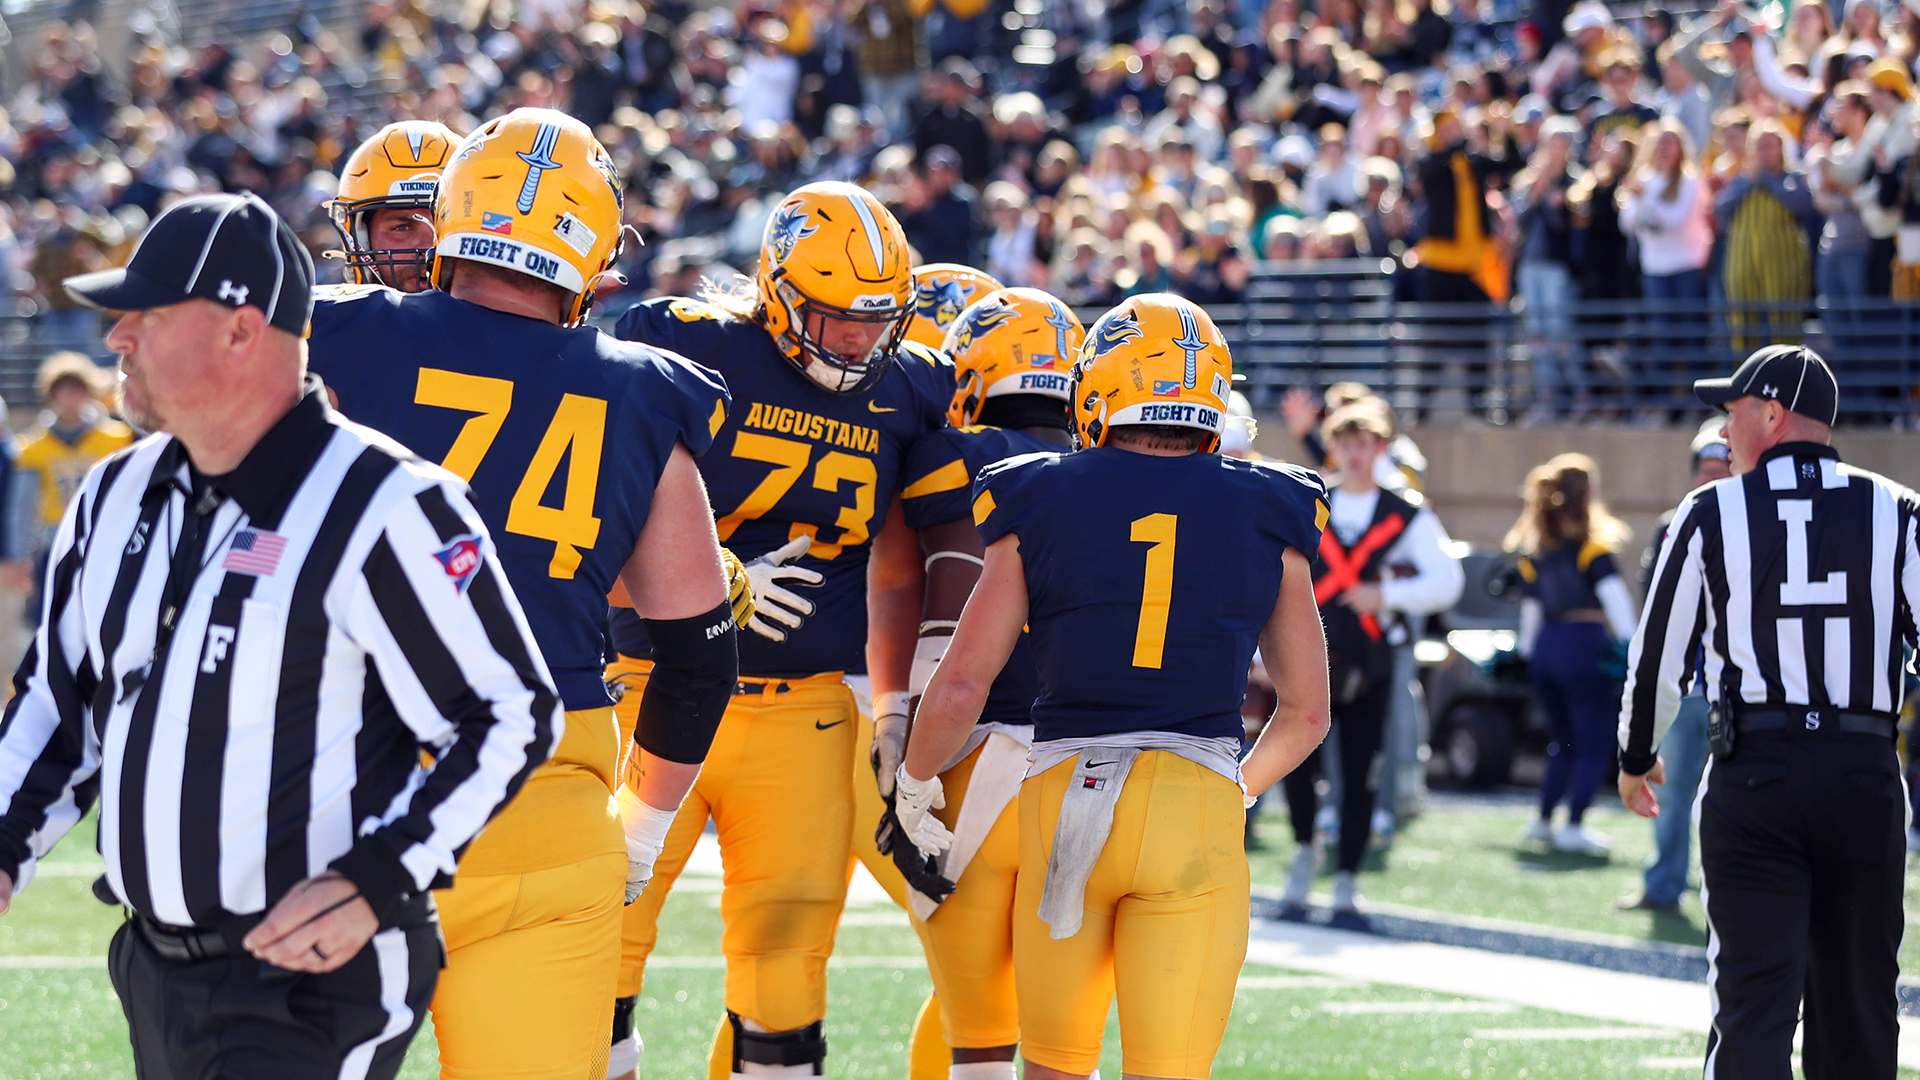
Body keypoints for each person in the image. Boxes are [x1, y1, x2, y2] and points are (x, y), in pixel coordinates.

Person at [0, 191, 560, 1080]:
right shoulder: (112, 495)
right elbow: (59, 707)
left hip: (313, 982)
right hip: (153, 969)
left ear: (237, 330)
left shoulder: (386, 502)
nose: (117, 339)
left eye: (144, 315)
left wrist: (381, 877)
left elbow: (510, 711)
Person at [308, 109, 741, 1080]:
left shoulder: (332, 335)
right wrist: (641, 834)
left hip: (353, 787)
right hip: (549, 804)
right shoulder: (643, 391)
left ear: (454, 213)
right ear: (590, 250)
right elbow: (702, 655)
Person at [894, 293, 1332, 1080]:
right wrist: (1232, 791)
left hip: (1062, 797)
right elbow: (1305, 714)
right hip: (1192, 798)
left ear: (1097, 388)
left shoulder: (1037, 490)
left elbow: (961, 685)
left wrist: (915, 781)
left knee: (1055, 1065)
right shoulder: (1271, 505)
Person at [608, 180, 954, 1080]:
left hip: (804, 711)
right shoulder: (682, 344)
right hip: (650, 688)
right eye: (834, 313)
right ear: (775, 290)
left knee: (786, 965)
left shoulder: (913, 386)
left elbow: (909, 557)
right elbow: (595, 502)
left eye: (876, 316)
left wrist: (892, 705)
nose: (855, 336)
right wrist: (705, 574)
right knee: (599, 941)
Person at [1620, 344, 1920, 1079]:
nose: (1723, 431)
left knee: (1753, 1006)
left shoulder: (1708, 512)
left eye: (1731, 412)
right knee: (1858, 1008)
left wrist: (1634, 755)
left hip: (1758, 773)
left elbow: (1659, 654)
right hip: (1863, 771)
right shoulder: (1901, 510)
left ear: (1774, 414)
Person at [880, 287, 1085, 1080]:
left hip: (971, 765)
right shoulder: (1116, 472)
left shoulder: (954, 460)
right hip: (1095, 774)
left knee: (981, 1043)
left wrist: (910, 774)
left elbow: (940, 626)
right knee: (1063, 1047)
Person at [1284, 400, 1461, 912]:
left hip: (1371, 660)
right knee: (1299, 762)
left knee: (1361, 770)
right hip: (1307, 652)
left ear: (1380, 448)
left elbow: (1448, 580)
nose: (1355, 455)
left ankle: (1346, 876)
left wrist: (1387, 597)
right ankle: (1302, 850)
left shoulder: (1406, 511)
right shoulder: (1310, 502)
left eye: (1365, 444)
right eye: (1345, 444)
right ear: (1332, 447)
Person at [1618, 420, 1732, 912]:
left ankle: (1726, 895)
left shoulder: (1755, 519)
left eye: (1720, 470)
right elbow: (1656, 607)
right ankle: (1665, 884)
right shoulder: (1676, 523)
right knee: (1673, 791)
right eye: (1703, 471)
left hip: (1739, 685)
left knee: (1734, 800)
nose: (1710, 481)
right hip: (1688, 685)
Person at [1509, 453, 1638, 856]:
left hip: (1547, 646)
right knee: (1595, 742)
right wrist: (1635, 651)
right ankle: (1575, 824)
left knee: (1561, 740)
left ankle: (1544, 820)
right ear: (1587, 496)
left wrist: (1528, 657)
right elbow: (1619, 608)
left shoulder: (1536, 555)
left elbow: (1528, 621)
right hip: (1583, 645)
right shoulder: (1592, 552)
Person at [5, 351, 133, 598]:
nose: (71, 397)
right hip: (56, 537)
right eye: (64, 390)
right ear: (52, 394)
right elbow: (22, 506)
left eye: (78, 389)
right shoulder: (34, 446)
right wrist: (19, 556)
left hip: (105, 533)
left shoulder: (115, 437)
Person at [324, 119, 459, 293]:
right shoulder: (326, 318)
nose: (427, 248)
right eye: (402, 228)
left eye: (444, 226)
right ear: (363, 239)